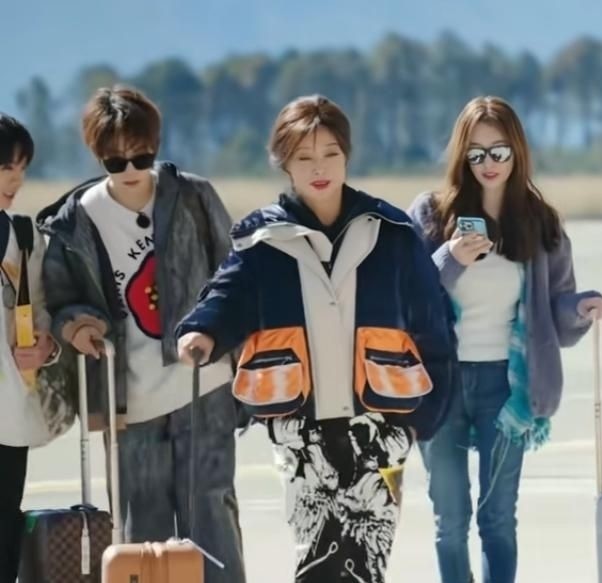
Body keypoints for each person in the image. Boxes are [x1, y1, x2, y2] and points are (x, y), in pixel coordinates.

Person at [175, 94, 457, 583]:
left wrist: (416, 425)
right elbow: (227, 296)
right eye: (303, 157)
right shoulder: (261, 239)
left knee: (368, 564)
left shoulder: (392, 233)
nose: (319, 167)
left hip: (381, 427)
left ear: (346, 155)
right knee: (315, 562)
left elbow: (435, 329)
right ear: (284, 162)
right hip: (298, 431)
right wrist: (201, 331)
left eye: (330, 153)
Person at [37, 86, 245, 583]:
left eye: (142, 155)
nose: (130, 169)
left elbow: (235, 273)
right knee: (140, 532)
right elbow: (63, 299)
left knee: (211, 519)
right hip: (128, 401)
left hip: (204, 385)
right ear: (97, 156)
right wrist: (79, 326)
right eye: (115, 160)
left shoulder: (194, 196)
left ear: (156, 145)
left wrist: (222, 337)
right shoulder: (75, 221)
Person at [406, 95, 602, 583]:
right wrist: (450, 258)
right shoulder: (431, 214)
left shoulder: (541, 223)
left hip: (508, 383)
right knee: (450, 520)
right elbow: (407, 299)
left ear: (517, 151)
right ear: (462, 156)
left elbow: (556, 311)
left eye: (499, 151)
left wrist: (581, 308)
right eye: (476, 153)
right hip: (441, 383)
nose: (489, 163)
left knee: (497, 519)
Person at [0, 114, 64, 583]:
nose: (16, 180)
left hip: (10, 408)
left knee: (6, 523)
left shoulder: (25, 236)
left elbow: (41, 306)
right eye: (7, 167)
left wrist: (46, 347)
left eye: (22, 168)